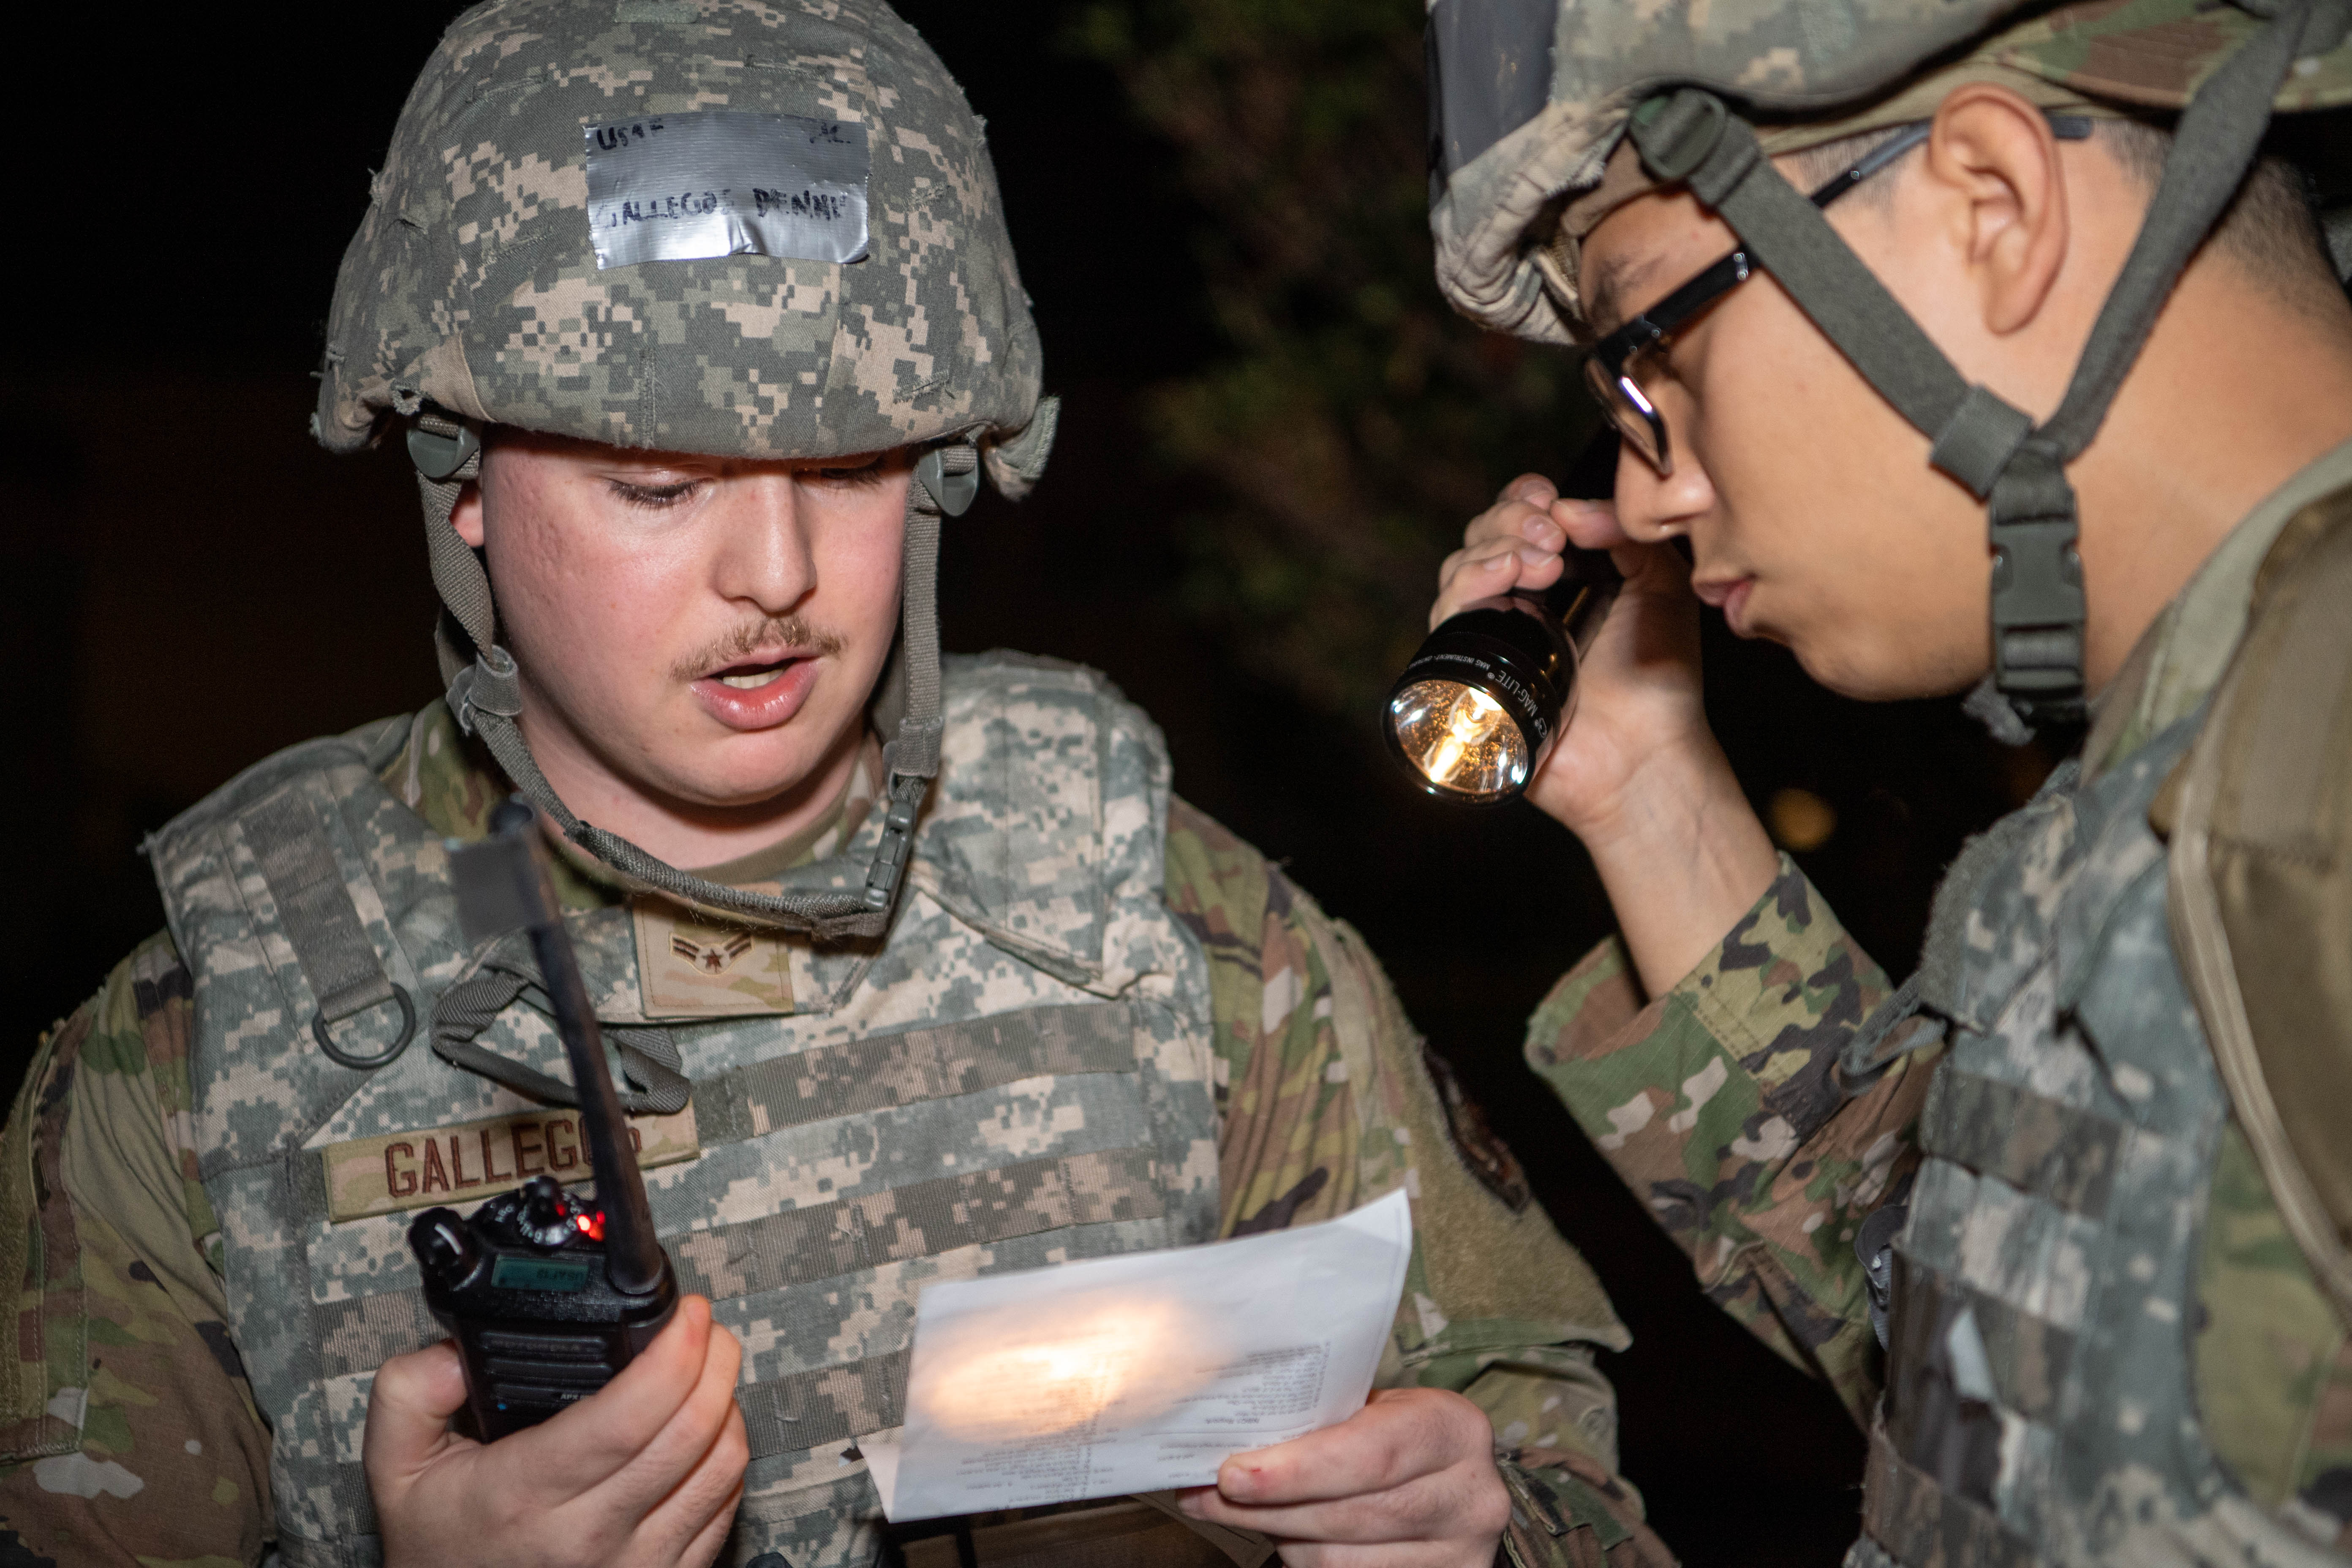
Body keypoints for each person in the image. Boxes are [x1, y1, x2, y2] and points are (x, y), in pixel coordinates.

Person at [0, 4, 1674, 1568]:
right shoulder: (205, 1052)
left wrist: (1481, 1522)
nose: (780, 572)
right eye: (660, 484)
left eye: (855, 465)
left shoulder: (1172, 923)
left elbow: (1553, 1459)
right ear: (465, 489)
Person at [1420, 0, 2352, 1564]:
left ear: (1994, 208)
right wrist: (1653, 795)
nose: (1650, 494)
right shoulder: (2207, 757)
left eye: (1650, 354)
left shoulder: (2297, 791)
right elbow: (2008, 1368)